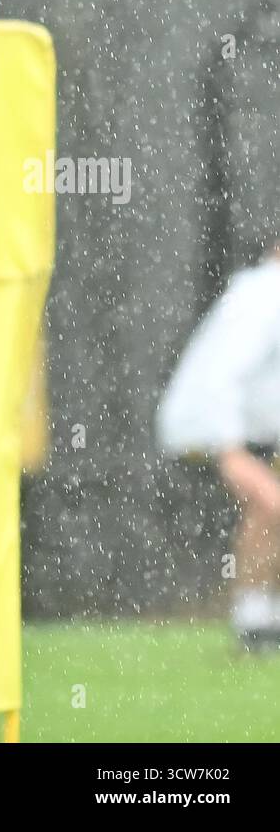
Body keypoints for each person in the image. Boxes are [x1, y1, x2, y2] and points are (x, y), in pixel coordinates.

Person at [157, 229, 280, 650]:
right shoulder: (264, 296)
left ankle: (260, 619)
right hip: (210, 429)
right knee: (271, 506)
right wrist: (229, 450)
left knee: (268, 509)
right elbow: (220, 376)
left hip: (248, 430)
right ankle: (254, 622)